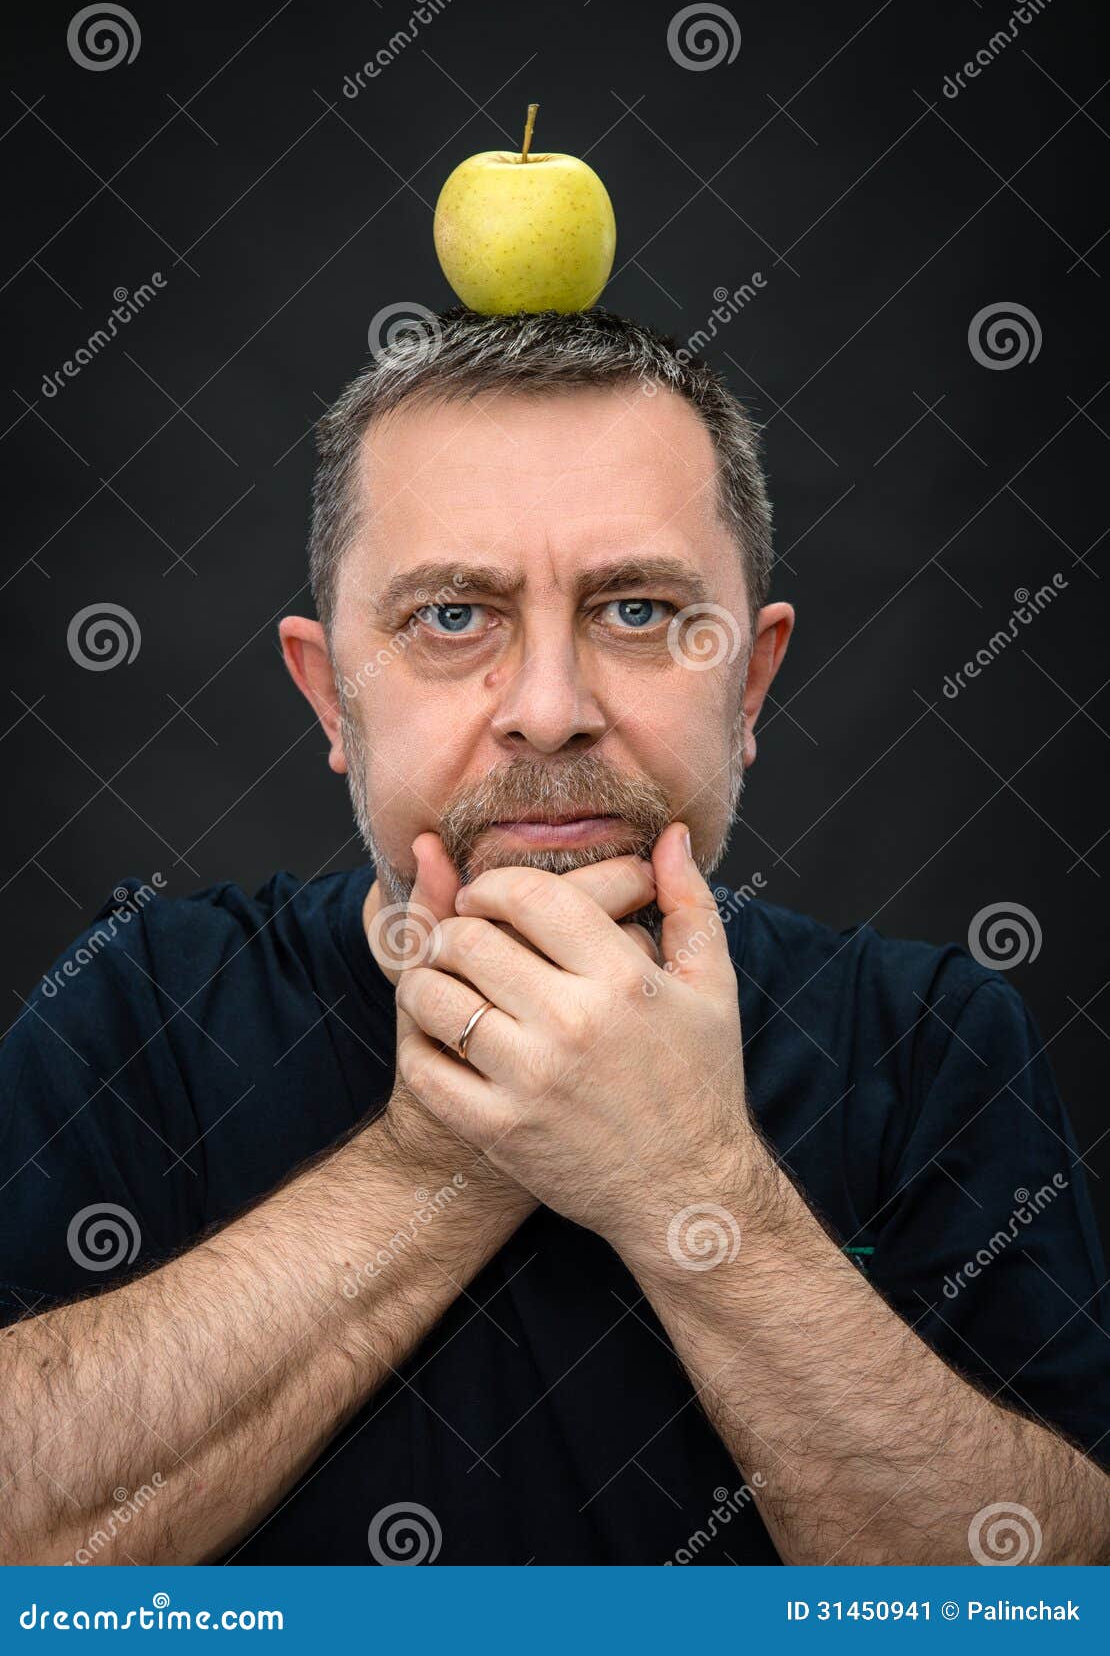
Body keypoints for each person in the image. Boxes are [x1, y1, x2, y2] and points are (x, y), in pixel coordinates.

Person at [1, 309, 1107, 1567]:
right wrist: (439, 1162)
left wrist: (693, 1182)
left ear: (747, 683)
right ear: (331, 698)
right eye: (452, 618)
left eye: (636, 610)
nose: (548, 711)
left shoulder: (928, 1044)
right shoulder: (144, 1001)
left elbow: (1045, 1604)